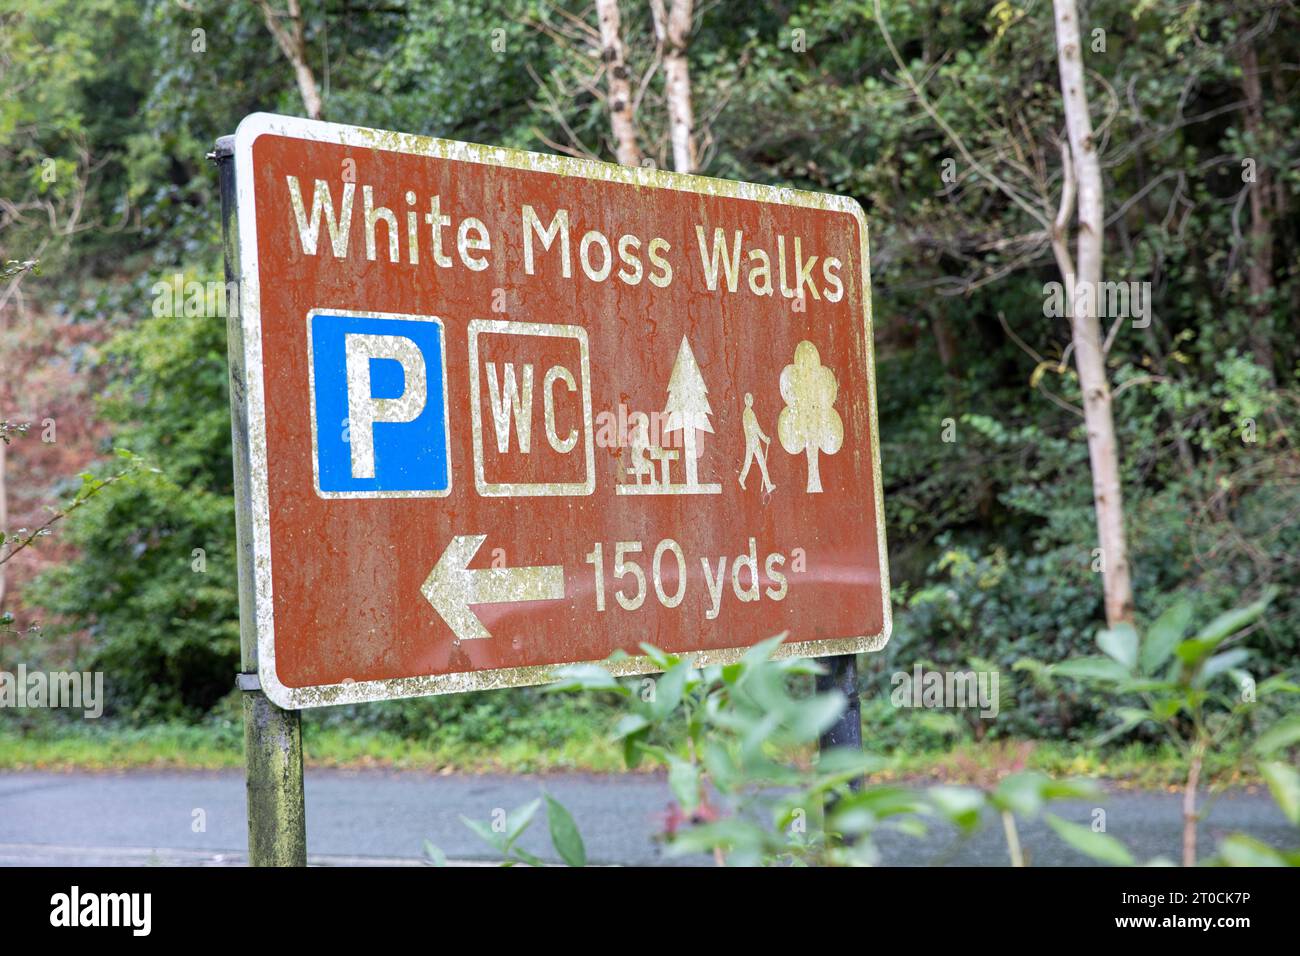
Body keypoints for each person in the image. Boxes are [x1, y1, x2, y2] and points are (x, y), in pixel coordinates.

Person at [739, 392, 775, 493]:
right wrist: (765, 439)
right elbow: (756, 429)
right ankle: (743, 479)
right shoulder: (748, 414)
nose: (752, 401)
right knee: (754, 462)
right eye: (750, 400)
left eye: (752, 399)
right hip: (753, 442)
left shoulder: (748, 413)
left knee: (756, 462)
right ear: (746, 401)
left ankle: (767, 485)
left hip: (752, 442)